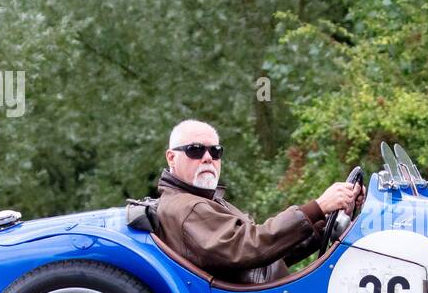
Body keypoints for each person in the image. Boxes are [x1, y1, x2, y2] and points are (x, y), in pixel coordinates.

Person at [154, 120, 360, 284]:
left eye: (215, 151)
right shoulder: (188, 207)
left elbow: (264, 257)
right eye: (195, 150)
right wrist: (317, 207)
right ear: (171, 158)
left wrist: (326, 226)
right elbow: (248, 247)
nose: (208, 158)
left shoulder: (204, 201)